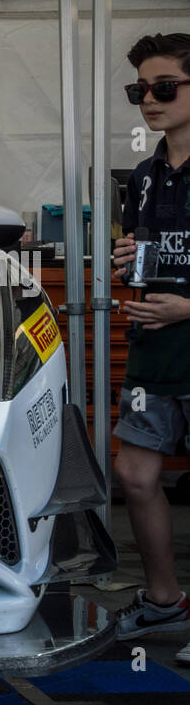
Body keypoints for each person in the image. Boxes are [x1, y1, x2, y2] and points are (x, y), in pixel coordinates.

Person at [110, 33, 190, 654]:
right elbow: (142, 258)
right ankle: (165, 601)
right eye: (140, 90)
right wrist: (126, 261)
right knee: (134, 474)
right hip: (151, 349)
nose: (149, 101)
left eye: (164, 88)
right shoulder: (142, 175)